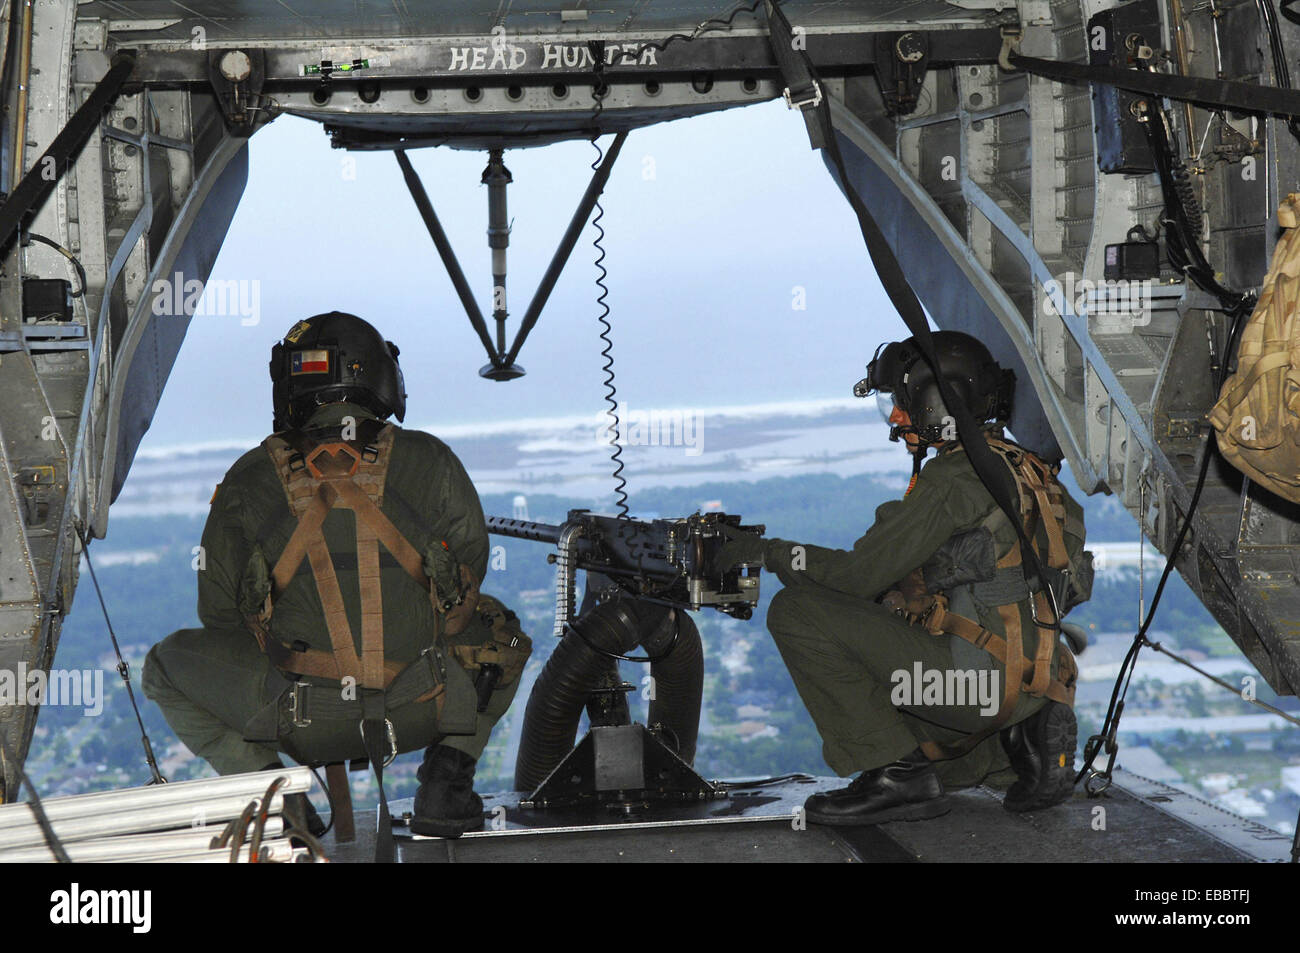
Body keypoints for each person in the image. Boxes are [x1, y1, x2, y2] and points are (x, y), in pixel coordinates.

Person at [143, 311, 531, 838]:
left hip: (298, 720)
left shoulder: (248, 477)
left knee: (163, 667)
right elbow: (465, 591)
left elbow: (219, 617)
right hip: (424, 708)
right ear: (378, 375)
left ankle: (274, 798)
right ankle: (446, 782)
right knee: (504, 635)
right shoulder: (432, 460)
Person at [716, 331, 1091, 826]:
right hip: (1038, 679)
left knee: (799, 612)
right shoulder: (1033, 473)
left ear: (939, 405)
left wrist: (766, 552)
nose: (896, 418)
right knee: (954, 769)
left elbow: (856, 575)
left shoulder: (955, 478)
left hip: (975, 689)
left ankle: (898, 778)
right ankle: (1013, 747)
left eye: (903, 404)